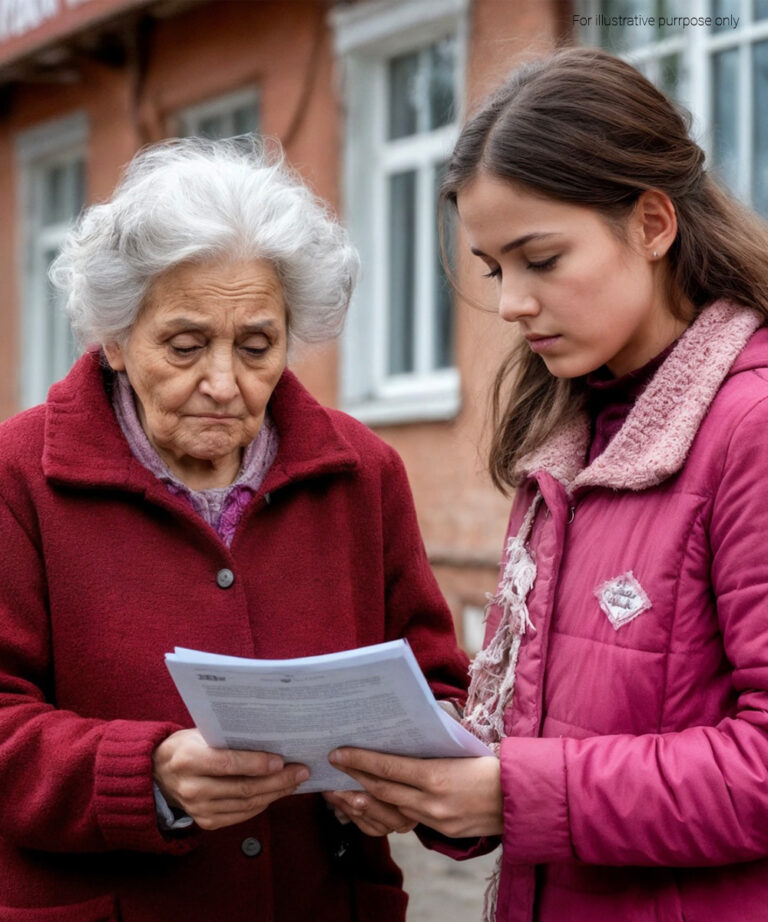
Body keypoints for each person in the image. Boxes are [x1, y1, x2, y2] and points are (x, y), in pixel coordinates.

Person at [325, 46, 768, 922]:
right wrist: (438, 792)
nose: (510, 303)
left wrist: (513, 792)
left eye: (540, 258)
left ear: (651, 223)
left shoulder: (748, 427)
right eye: (495, 268)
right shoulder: (566, 438)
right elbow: (539, 741)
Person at [0, 137, 470, 922]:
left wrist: (417, 781)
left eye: (258, 347)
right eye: (185, 346)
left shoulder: (364, 472)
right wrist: (146, 773)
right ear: (115, 340)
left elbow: (443, 691)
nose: (224, 383)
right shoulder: (18, 474)